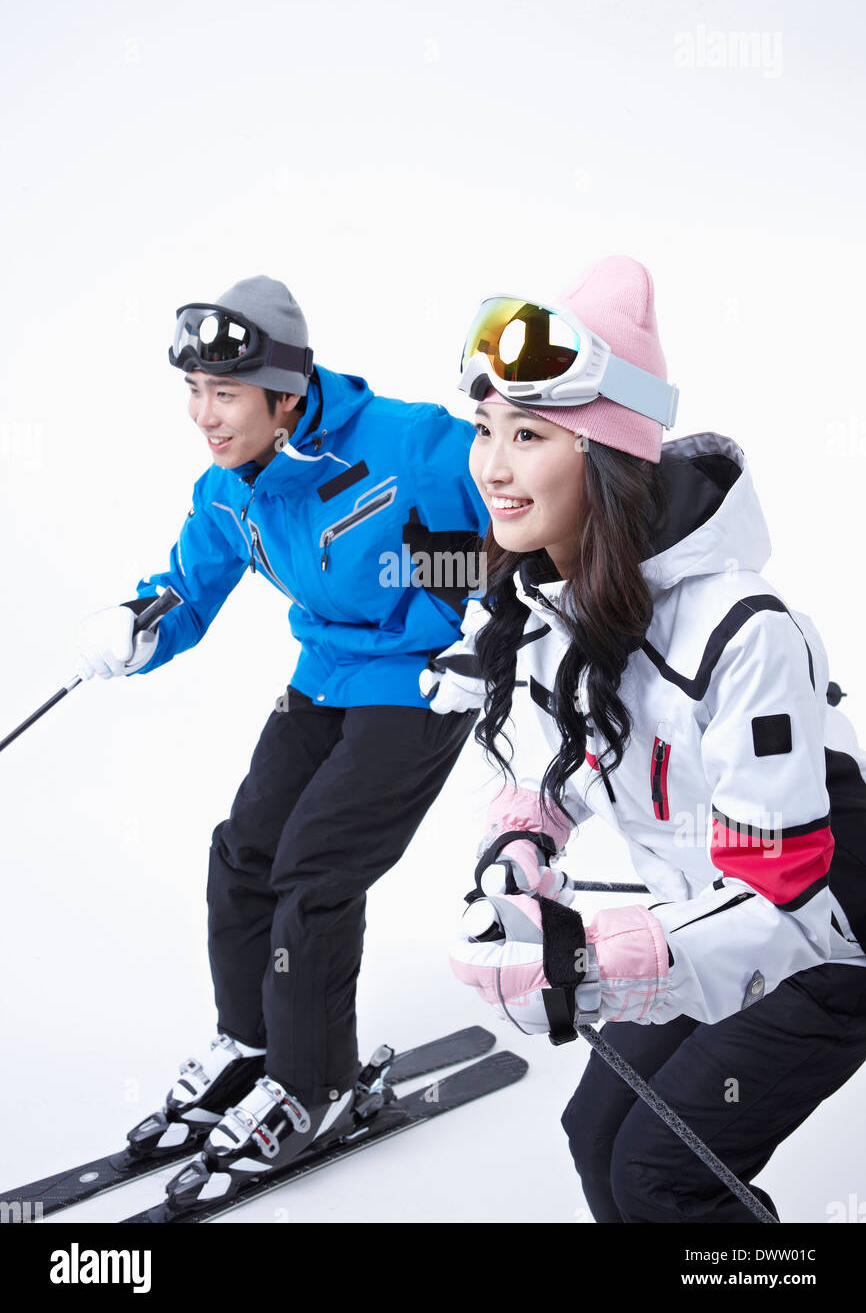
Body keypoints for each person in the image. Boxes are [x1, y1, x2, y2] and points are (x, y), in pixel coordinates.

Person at [423, 256, 866, 1223]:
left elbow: (782, 899)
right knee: (596, 1139)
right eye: (484, 430)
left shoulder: (745, 632)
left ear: (605, 455)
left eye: (530, 434)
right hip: (700, 918)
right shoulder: (552, 593)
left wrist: (589, 959)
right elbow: (552, 769)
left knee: (659, 1176)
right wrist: (520, 857)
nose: (491, 467)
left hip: (830, 936)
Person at [75, 275, 486, 1212]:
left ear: (284, 395)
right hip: (326, 674)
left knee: (316, 869)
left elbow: (527, 504)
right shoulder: (228, 491)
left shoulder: (407, 446)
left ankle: (315, 1088)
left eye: (224, 394)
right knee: (244, 852)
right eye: (193, 393)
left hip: (423, 679)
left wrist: (480, 618)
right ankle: (257, 1046)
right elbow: (190, 584)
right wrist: (140, 625)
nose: (203, 416)